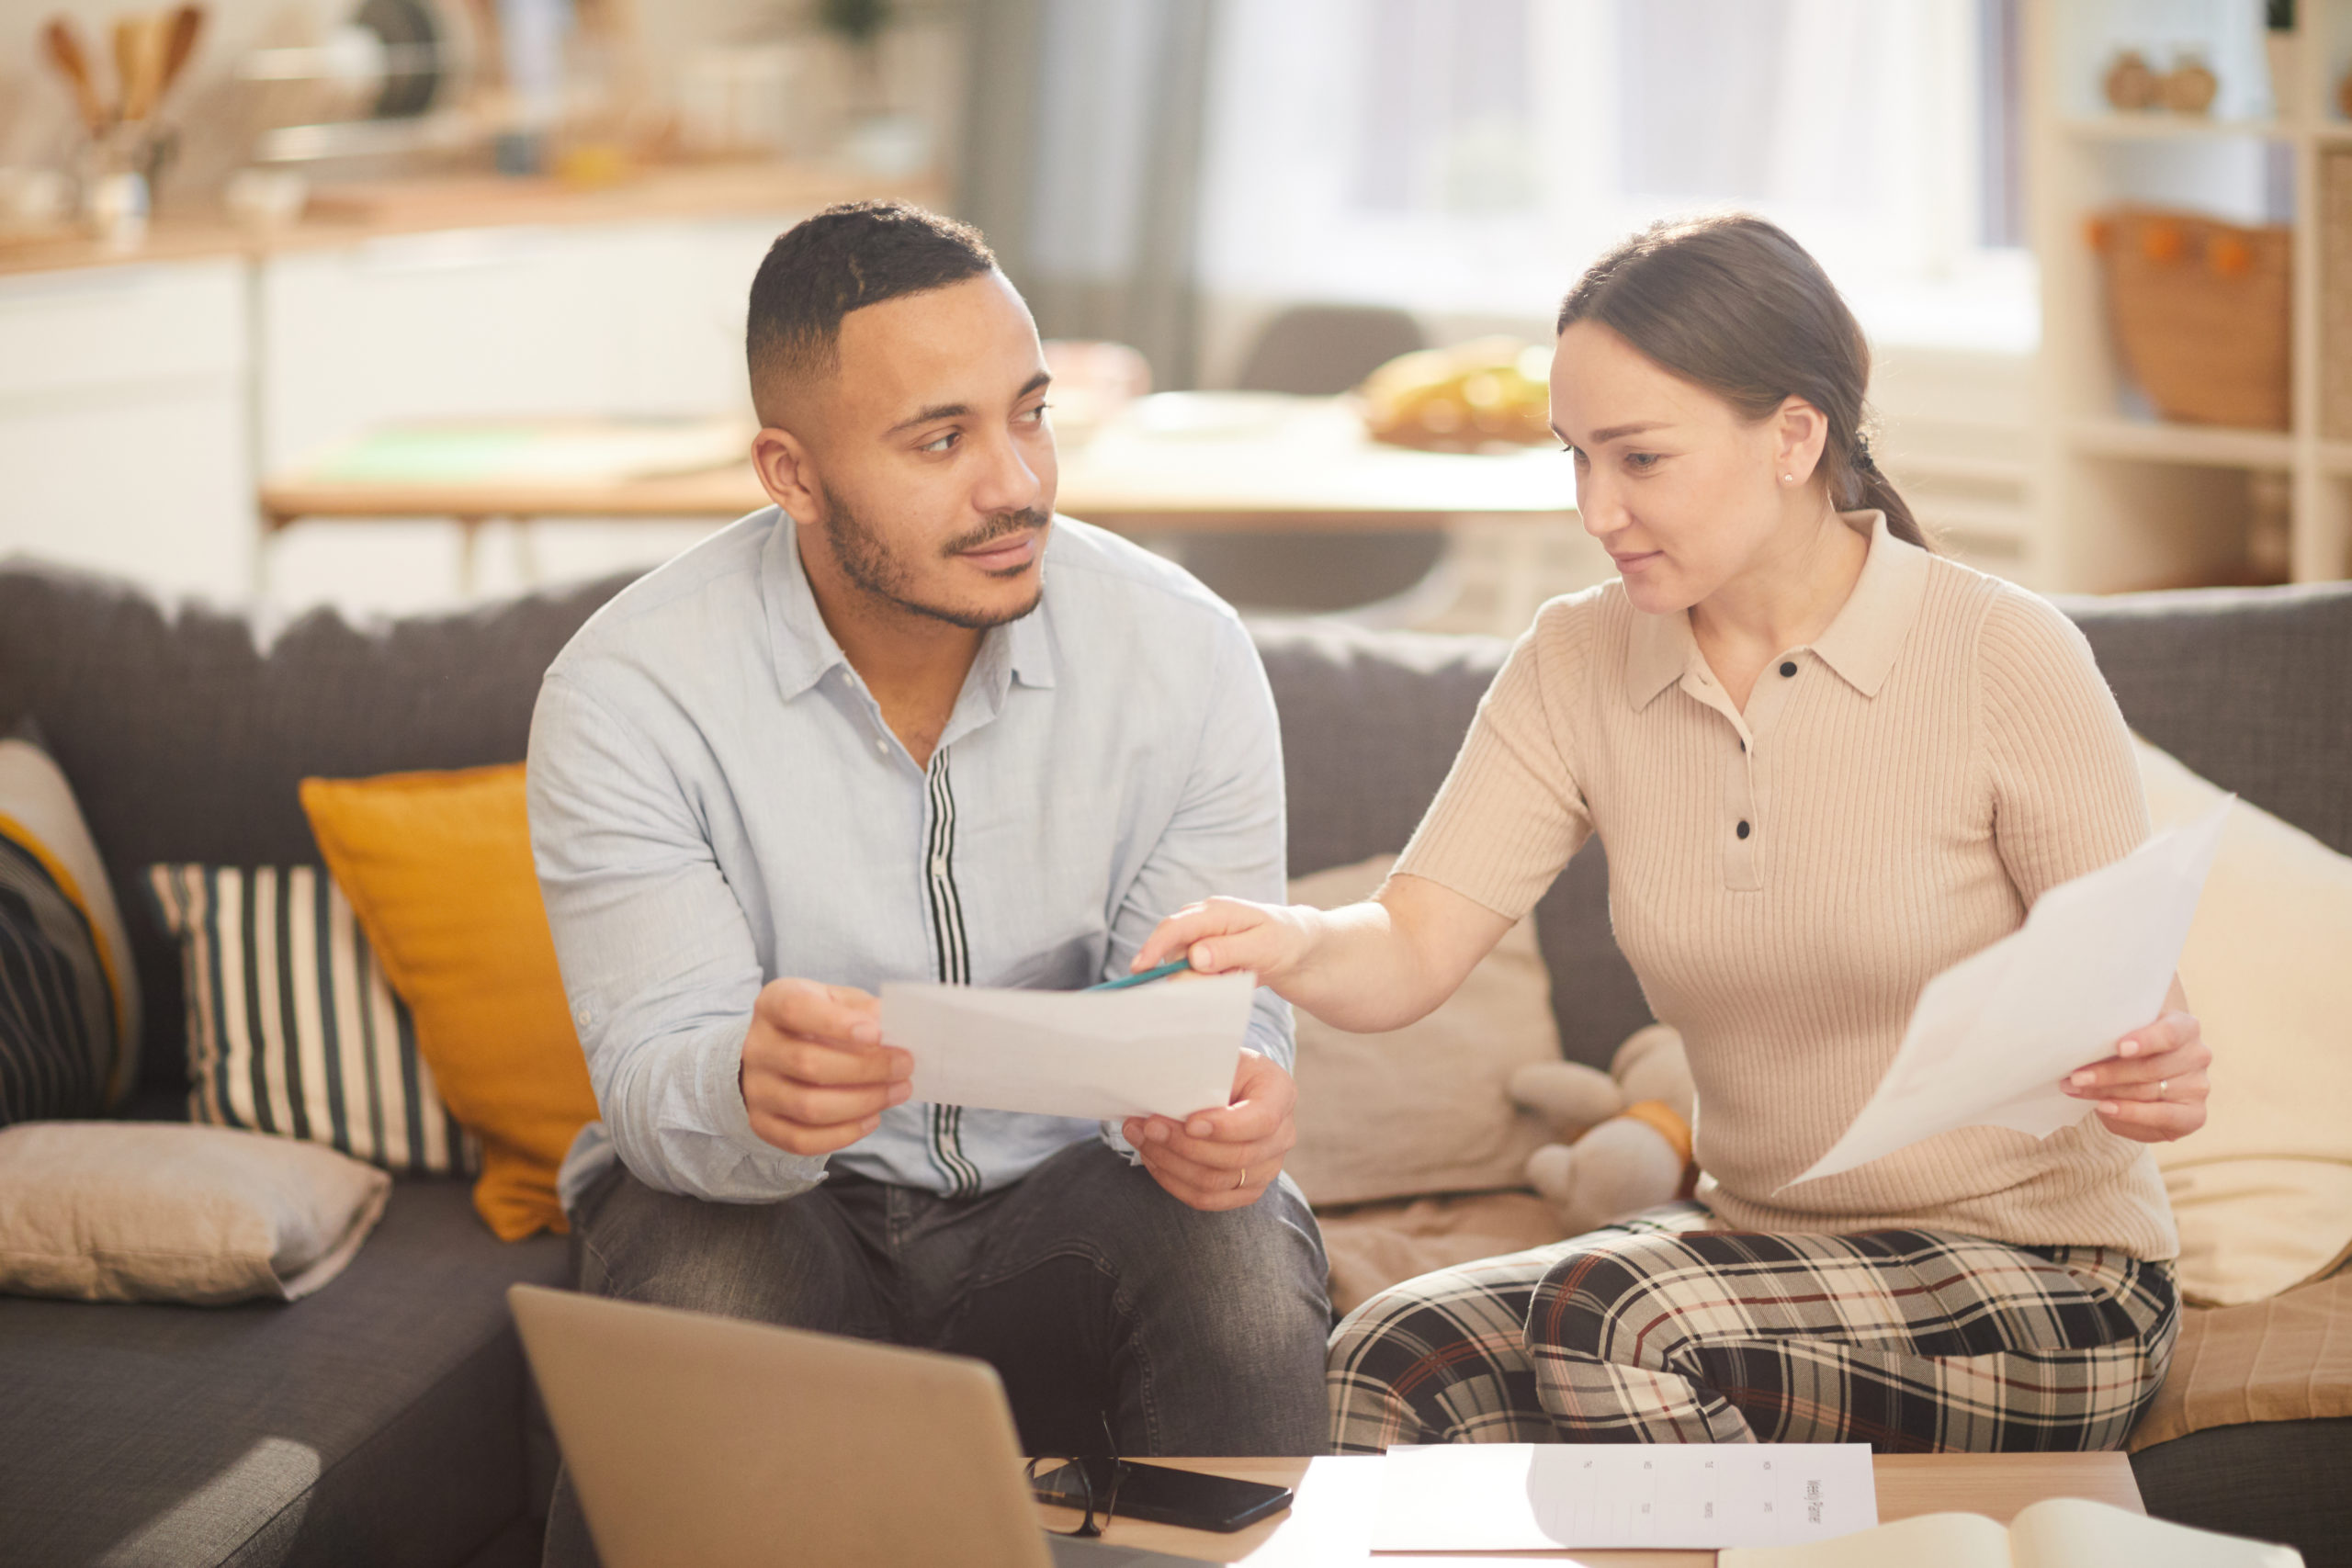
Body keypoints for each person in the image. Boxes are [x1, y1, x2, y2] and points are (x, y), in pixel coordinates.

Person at [1133, 214, 2209, 1457]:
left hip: (2051, 1282)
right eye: (1578, 458)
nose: (1598, 509)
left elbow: (2140, 1009)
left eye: (1640, 458)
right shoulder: (1578, 656)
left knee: (1614, 1316)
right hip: (1759, 1251)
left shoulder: (2002, 653)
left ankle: (1747, 1536)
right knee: (1390, 1353)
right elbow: (1412, 945)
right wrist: (1288, 940)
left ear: (1794, 437)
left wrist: (2157, 1061)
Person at [526, 201, 1329, 1563]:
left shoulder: (1185, 655)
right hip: (780, 1203)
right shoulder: (627, 694)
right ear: (791, 473)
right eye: (941, 440)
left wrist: (1226, 1097)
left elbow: (1217, 1007)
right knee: (710, 1262)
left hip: (1069, 1201)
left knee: (1241, 1247)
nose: (1016, 483)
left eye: (1031, 414)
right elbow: (655, 1073)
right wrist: (745, 1084)